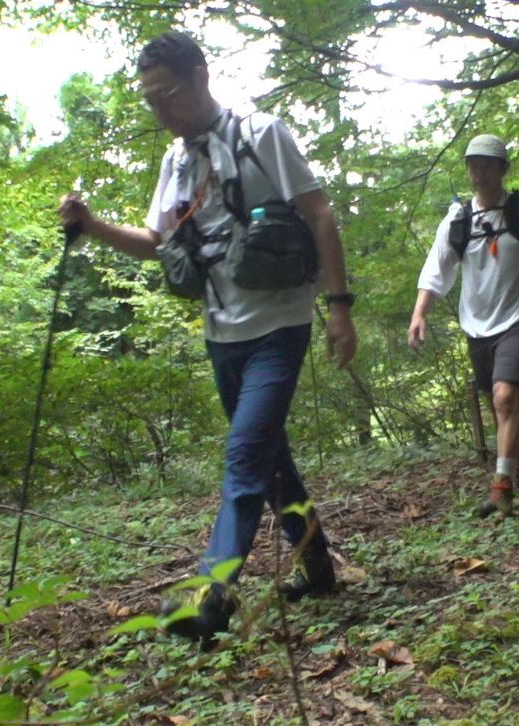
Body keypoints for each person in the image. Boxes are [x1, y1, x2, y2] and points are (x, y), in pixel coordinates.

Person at [57, 31, 357, 649]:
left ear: (200, 76)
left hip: (279, 323)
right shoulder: (177, 162)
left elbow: (319, 212)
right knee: (269, 458)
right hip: (222, 332)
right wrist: (91, 226)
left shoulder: (261, 134)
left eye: (166, 94)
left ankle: (211, 589)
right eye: (149, 99)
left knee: (245, 454)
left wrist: (339, 307)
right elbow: (156, 242)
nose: (159, 109)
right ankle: (317, 564)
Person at [409, 134, 519, 517]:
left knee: (504, 397)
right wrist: (419, 314)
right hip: (476, 326)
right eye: (473, 166)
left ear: (503, 169)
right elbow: (436, 272)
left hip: (518, 319)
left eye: (486, 165)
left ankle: (501, 488)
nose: (478, 173)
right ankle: (517, 458)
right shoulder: (458, 220)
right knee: (498, 403)